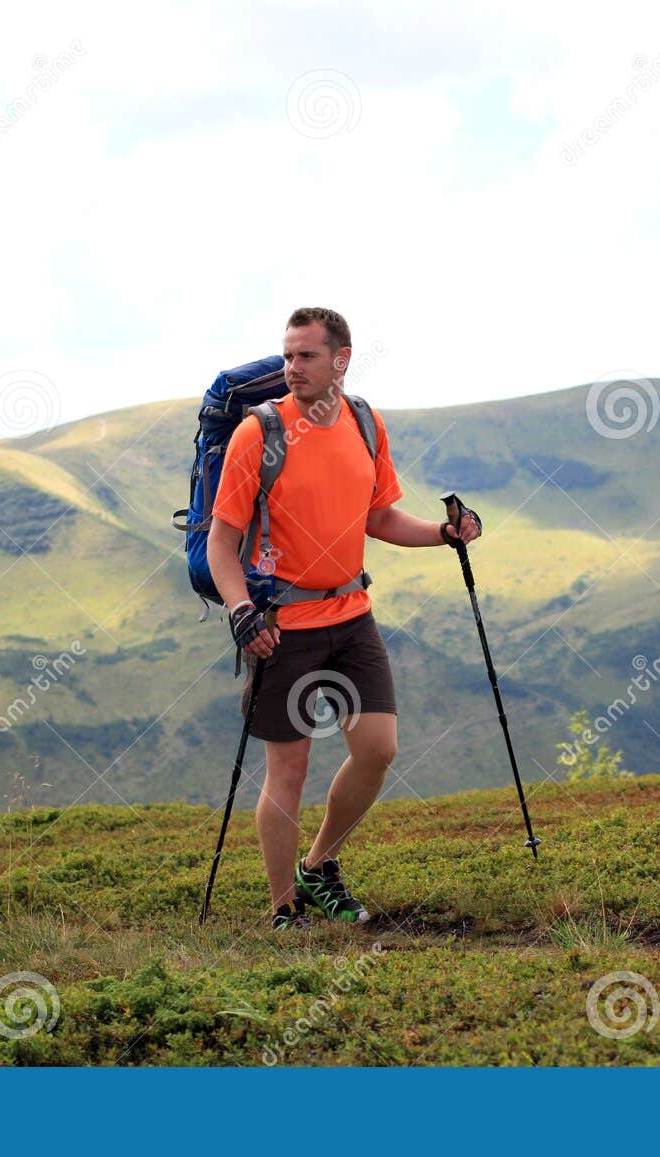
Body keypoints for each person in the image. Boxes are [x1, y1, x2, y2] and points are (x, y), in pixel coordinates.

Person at [207, 307, 482, 929]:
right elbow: (221, 545)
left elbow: (380, 517)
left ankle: (319, 865)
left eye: (305, 356)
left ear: (341, 360)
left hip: (352, 614)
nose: (291, 367)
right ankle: (284, 910)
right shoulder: (260, 434)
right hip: (281, 624)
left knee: (378, 748)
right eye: (287, 355)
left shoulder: (364, 422)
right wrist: (242, 612)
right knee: (291, 769)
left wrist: (444, 533)